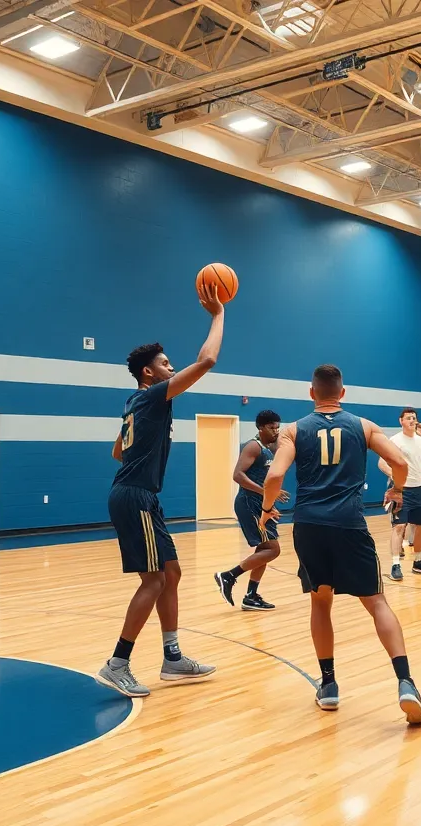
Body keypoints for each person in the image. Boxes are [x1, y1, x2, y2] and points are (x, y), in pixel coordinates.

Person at [258, 364, 421, 723]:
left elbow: (274, 475)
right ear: (343, 393)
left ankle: (330, 685)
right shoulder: (364, 426)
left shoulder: (292, 430)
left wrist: (267, 509)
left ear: (311, 393)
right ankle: (406, 683)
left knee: (321, 603)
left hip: (310, 526)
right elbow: (397, 460)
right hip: (350, 524)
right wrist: (396, 490)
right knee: (377, 602)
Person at [96, 284, 224, 699]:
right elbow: (207, 360)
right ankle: (117, 663)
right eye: (167, 364)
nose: (172, 368)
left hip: (139, 493)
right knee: (153, 581)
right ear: (149, 372)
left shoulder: (133, 403)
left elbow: (118, 450)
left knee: (172, 573)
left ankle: (172, 657)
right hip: (135, 495)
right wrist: (218, 314)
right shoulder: (151, 396)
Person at [214, 410, 289, 611]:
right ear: (261, 428)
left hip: (261, 504)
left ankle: (250, 595)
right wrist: (265, 492)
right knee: (273, 549)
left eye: (277, 427)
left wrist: (270, 503)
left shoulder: (269, 448)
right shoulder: (253, 446)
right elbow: (237, 475)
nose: (276, 431)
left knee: (264, 550)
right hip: (248, 503)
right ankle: (228, 576)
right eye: (272, 427)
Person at [381, 408, 421, 581]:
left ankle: (418, 562)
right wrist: (394, 476)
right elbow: (382, 463)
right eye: (408, 418)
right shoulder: (394, 441)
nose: (412, 420)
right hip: (402, 490)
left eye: (414, 418)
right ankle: (396, 565)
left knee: (420, 527)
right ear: (401, 421)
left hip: (420, 489)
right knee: (398, 527)